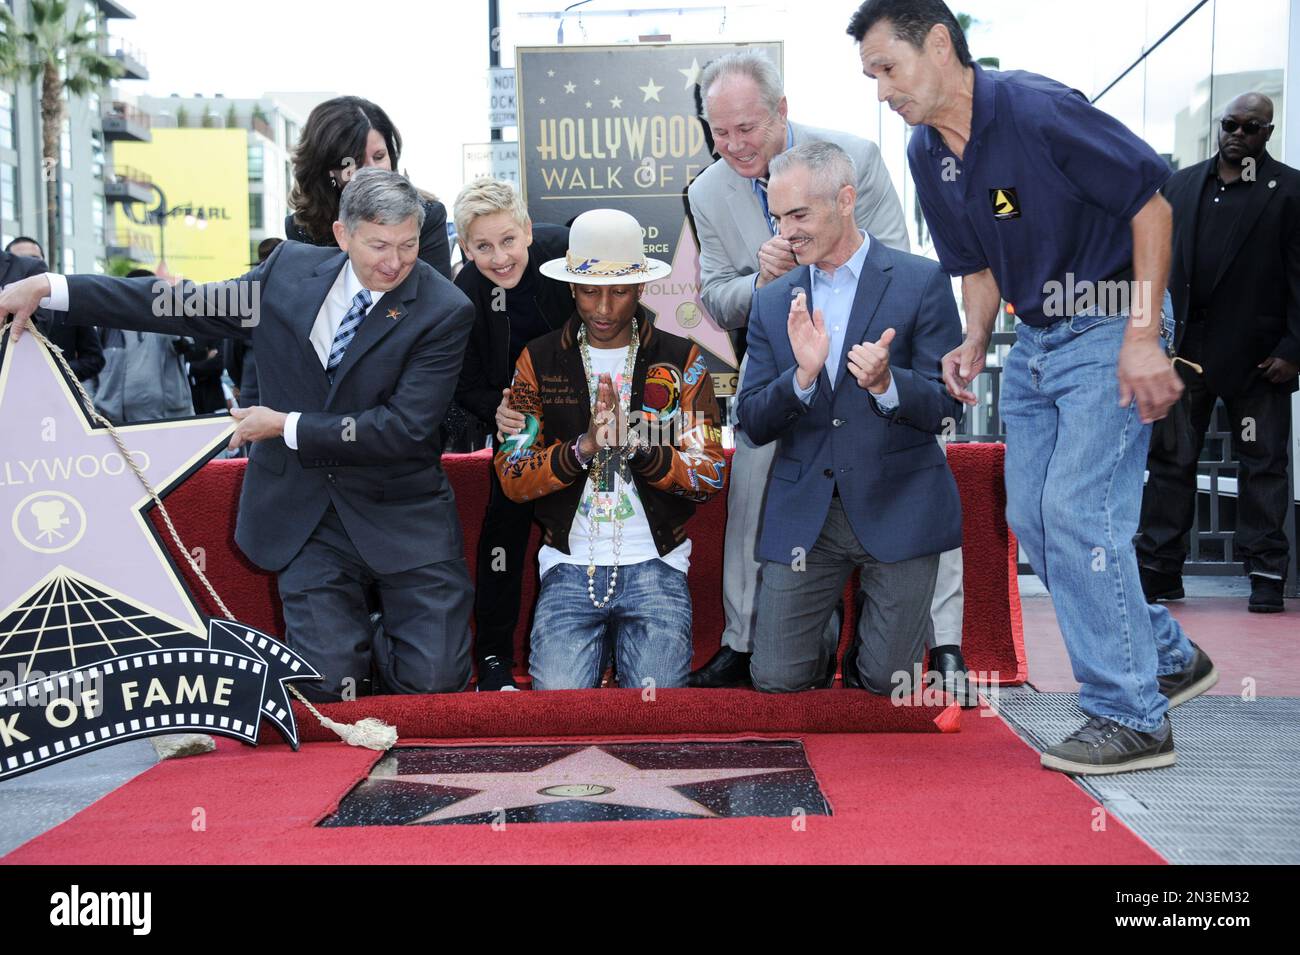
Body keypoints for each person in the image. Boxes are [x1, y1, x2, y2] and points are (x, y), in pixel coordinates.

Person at [849, 0, 1217, 774]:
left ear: (940, 44)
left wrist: (1143, 336)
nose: (881, 90)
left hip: (1113, 315)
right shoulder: (926, 153)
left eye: (888, 67)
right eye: (871, 75)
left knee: (1079, 511)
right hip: (1039, 339)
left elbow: (1151, 208)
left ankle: (1131, 714)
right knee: (1031, 516)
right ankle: (1165, 655)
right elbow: (977, 263)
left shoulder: (1039, 110)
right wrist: (974, 337)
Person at [1, 168, 476, 702]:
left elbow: (405, 429)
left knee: (435, 684)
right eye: (379, 246)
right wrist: (51, 288)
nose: (394, 262)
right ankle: (350, 644)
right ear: (343, 235)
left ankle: (382, 636)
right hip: (307, 517)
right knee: (326, 686)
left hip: (402, 515)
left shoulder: (444, 309)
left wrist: (284, 425)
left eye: (408, 245)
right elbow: (180, 305)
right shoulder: (287, 273)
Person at [685, 49, 969, 696]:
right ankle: (747, 638)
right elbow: (718, 299)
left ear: (780, 110)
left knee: (921, 456)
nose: (733, 145)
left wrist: (878, 372)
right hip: (784, 360)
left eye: (746, 128)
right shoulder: (706, 191)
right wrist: (765, 280)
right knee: (754, 478)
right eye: (718, 132)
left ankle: (943, 638)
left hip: (875, 357)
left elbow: (897, 264)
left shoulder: (856, 157)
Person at [738, 141, 963, 694]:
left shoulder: (921, 281)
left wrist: (888, 384)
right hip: (806, 517)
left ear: (845, 200)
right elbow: (753, 421)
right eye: (777, 218)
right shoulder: (773, 300)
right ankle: (824, 624)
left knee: (888, 681)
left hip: (900, 504)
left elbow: (946, 407)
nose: (785, 233)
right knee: (775, 679)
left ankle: (870, 641)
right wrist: (802, 378)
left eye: (798, 215)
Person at [493, 209, 726, 690]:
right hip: (569, 564)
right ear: (571, 288)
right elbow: (513, 476)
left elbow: (709, 474)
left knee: (657, 708)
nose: (603, 308)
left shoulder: (681, 359)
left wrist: (637, 447)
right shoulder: (538, 360)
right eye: (589, 291)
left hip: (656, 562)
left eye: (618, 292)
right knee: (559, 707)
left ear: (640, 288)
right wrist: (583, 448)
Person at [1137, 93, 1298, 614]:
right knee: (1170, 462)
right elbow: (1153, 264)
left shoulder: (1290, 190)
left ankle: (1266, 572)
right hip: (1185, 354)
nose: (1238, 134)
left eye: (1251, 126)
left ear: (1267, 133)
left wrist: (1293, 349)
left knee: (1263, 464)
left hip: (1259, 361)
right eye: (1231, 124)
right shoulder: (1180, 185)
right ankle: (1160, 570)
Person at [452, 178, 571, 691]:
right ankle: (494, 658)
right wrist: (495, 411)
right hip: (519, 421)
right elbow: (463, 381)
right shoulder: (464, 294)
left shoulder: (563, 254)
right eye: (483, 246)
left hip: (584, 411)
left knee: (588, 521)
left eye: (507, 240)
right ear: (465, 247)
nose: (499, 258)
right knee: (504, 529)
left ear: (527, 231)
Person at [286, 96, 452, 280]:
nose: (372, 170)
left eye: (379, 157)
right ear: (327, 169)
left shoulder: (428, 216)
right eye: (354, 162)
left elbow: (436, 295)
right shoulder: (303, 227)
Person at [92, 268, 196, 424]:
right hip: (119, 418)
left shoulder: (169, 318)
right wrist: (95, 406)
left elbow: (187, 345)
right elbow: (92, 365)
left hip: (172, 416)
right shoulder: (110, 322)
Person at [1, 244, 104, 386]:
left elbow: (94, 359)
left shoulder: (67, 305)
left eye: (34, 259)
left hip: (56, 391)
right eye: (22, 259)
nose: (28, 265)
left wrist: (55, 372)